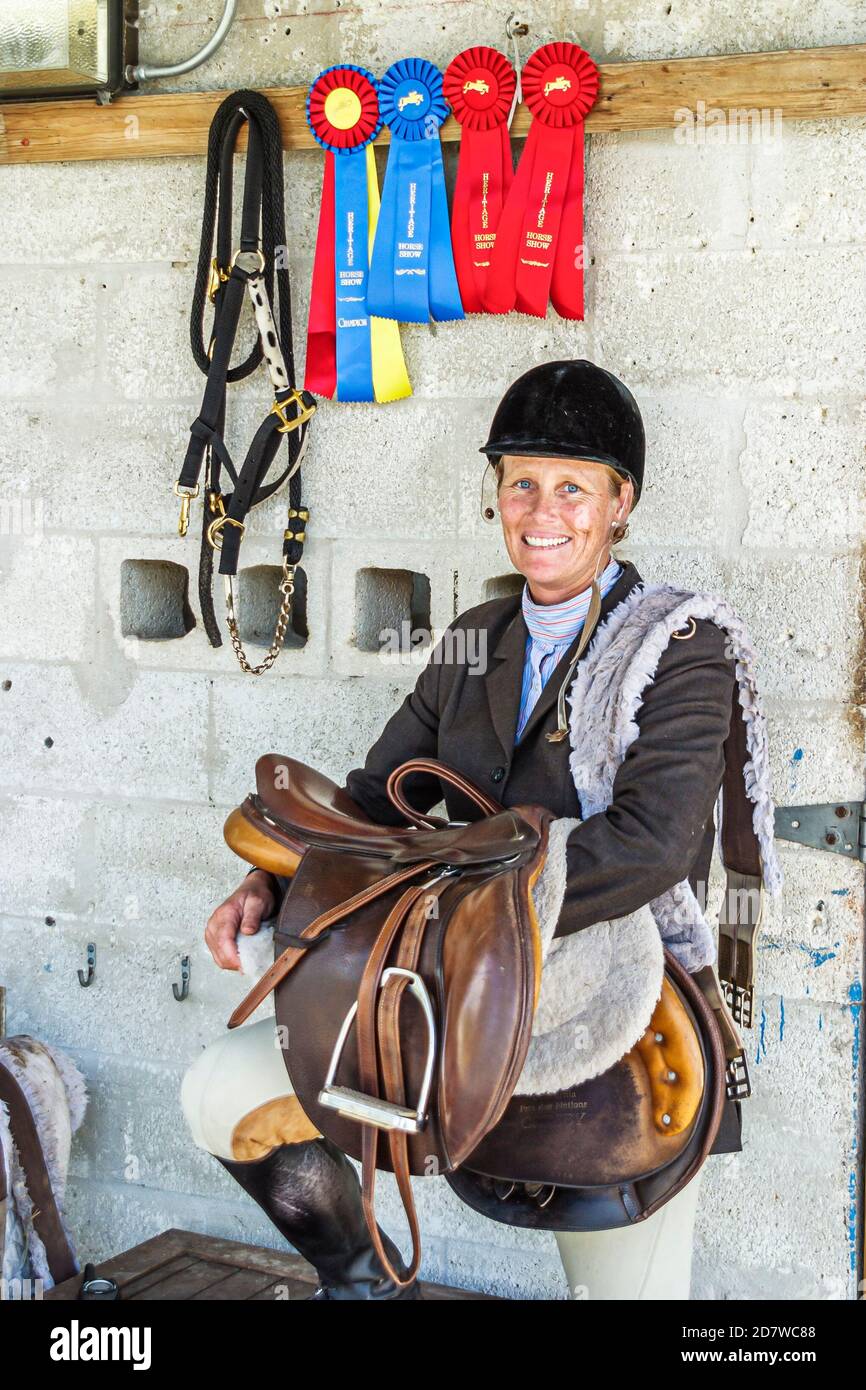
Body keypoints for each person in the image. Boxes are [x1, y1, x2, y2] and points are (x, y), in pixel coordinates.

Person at [181, 359, 745, 1300]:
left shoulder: (683, 646)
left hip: (607, 985)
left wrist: (463, 917)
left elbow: (650, 841)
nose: (542, 510)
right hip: (442, 979)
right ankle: (360, 1282)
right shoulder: (475, 636)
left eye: (573, 487)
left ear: (620, 503)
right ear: (496, 497)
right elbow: (366, 799)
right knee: (217, 1092)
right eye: (520, 482)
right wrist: (273, 887)